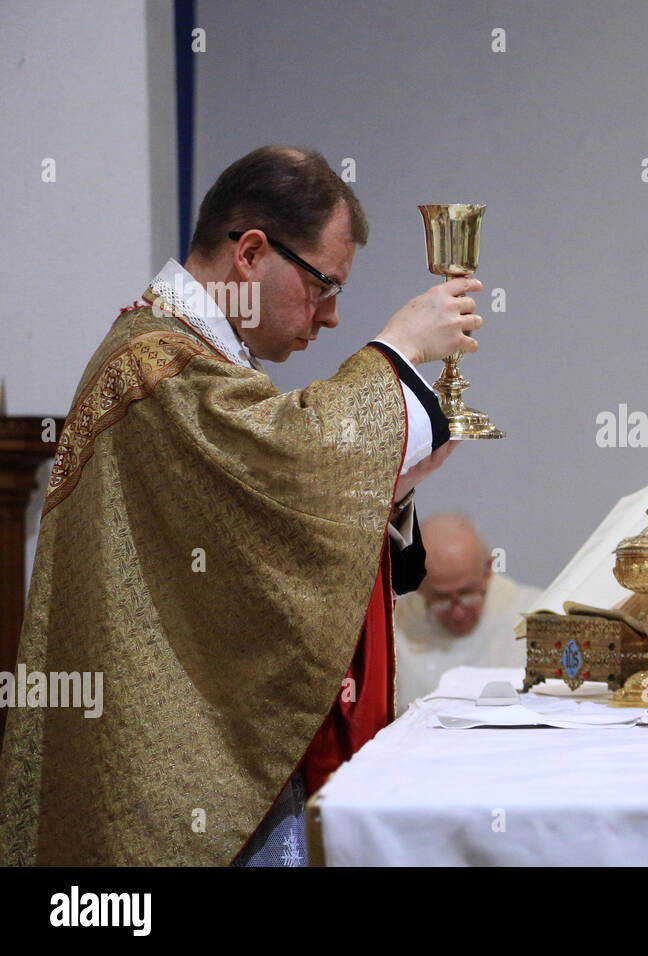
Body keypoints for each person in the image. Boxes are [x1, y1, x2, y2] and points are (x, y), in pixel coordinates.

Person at [0, 146, 484, 866]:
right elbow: (291, 457)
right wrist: (398, 351)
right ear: (252, 252)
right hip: (163, 772)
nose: (330, 317)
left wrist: (389, 488)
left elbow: (253, 540)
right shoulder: (155, 365)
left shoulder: (192, 360)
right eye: (323, 285)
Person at [394, 512, 541, 710]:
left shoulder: (537, 614)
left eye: (468, 594)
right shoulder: (393, 625)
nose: (458, 612)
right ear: (419, 585)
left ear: (488, 569)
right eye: (441, 598)